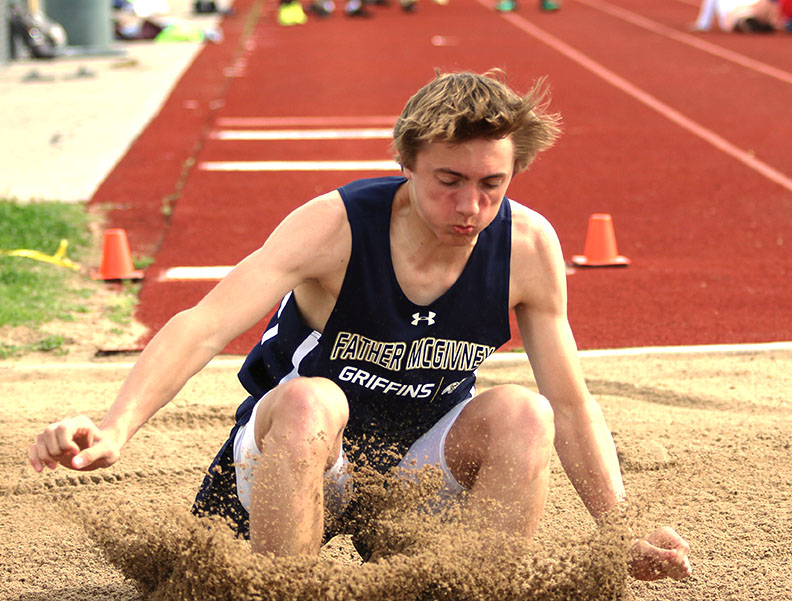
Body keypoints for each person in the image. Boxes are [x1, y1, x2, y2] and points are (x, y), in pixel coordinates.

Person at [28, 70, 691, 581]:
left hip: (413, 477)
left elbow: (572, 405)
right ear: (406, 164)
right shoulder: (336, 225)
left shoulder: (529, 247)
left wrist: (617, 526)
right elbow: (202, 325)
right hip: (299, 457)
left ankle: (480, 589)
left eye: (493, 183)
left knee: (526, 413)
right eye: (449, 181)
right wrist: (118, 423)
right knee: (313, 398)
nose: (471, 206)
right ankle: (285, 588)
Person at [691, 0, 779, 31]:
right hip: (733, 14)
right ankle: (744, 23)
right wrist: (703, 23)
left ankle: (752, 22)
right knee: (737, 17)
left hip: (752, 9)